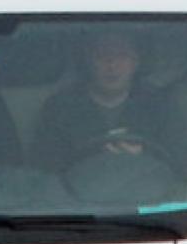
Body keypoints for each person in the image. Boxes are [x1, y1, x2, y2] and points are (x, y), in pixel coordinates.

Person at [34, 31, 179, 175]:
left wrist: (144, 157)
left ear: (136, 63)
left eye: (122, 55)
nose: (112, 65)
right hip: (77, 194)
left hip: (149, 193)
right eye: (102, 56)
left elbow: (183, 164)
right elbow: (44, 171)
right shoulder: (60, 107)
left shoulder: (159, 104)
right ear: (88, 62)